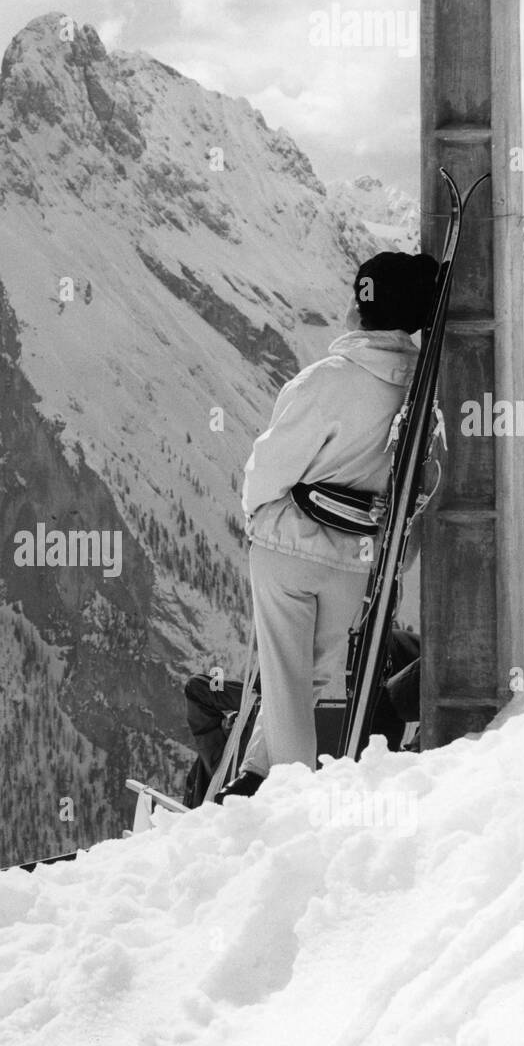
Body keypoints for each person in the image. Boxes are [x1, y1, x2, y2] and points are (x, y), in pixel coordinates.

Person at [217, 251, 439, 800]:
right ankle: (263, 774)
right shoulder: (422, 394)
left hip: (288, 544)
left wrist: (256, 512)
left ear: (360, 307)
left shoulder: (326, 380)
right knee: (321, 677)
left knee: (284, 674)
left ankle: (284, 793)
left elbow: (272, 463)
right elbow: (423, 482)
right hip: (357, 557)